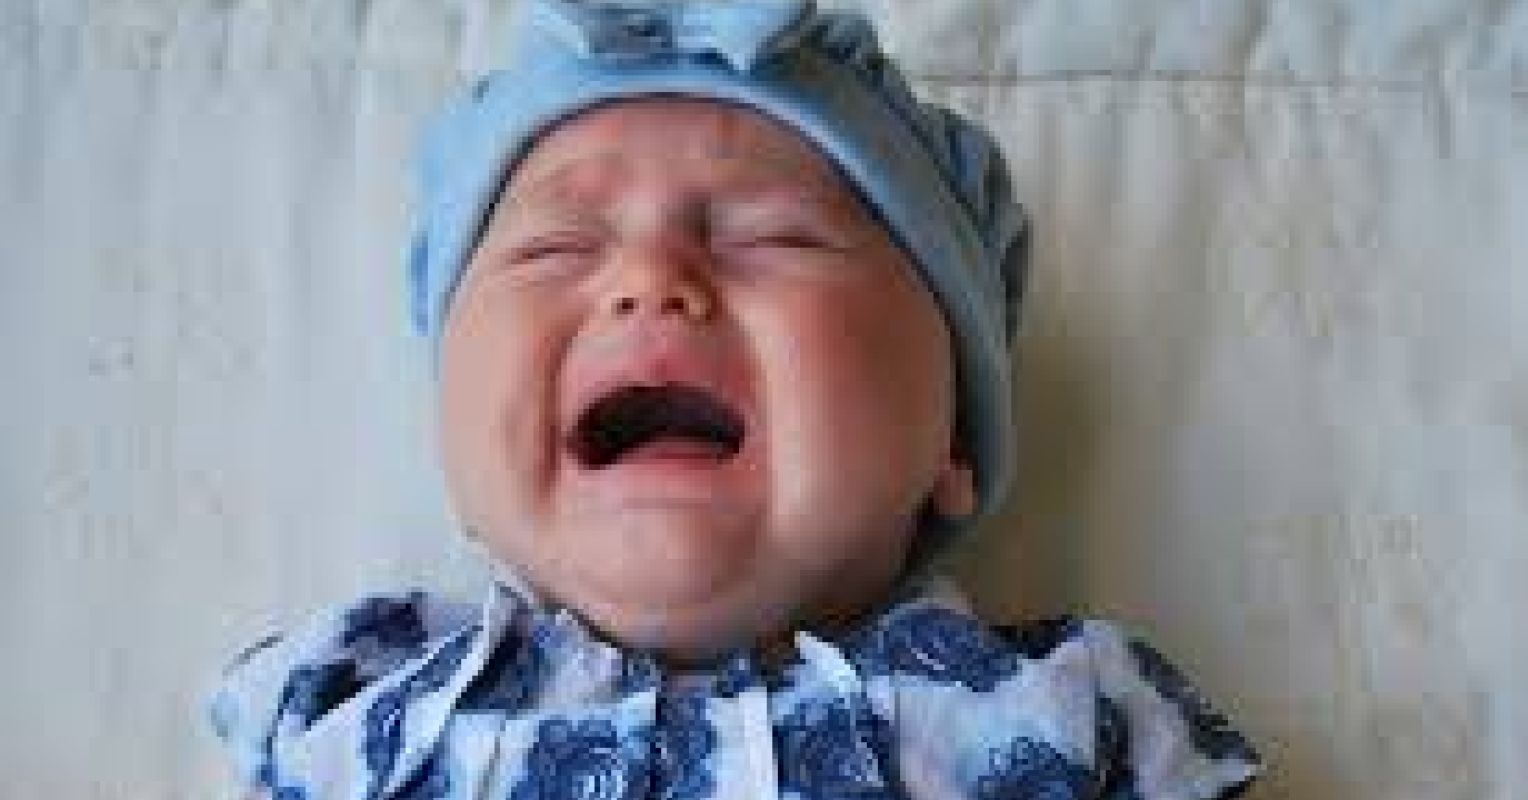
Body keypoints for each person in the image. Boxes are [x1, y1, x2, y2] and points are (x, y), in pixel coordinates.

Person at [207, 1, 1262, 798]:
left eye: (774, 237)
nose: (650, 278)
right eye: (554, 247)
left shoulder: (1071, 715)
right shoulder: (356, 709)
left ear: (951, 435)